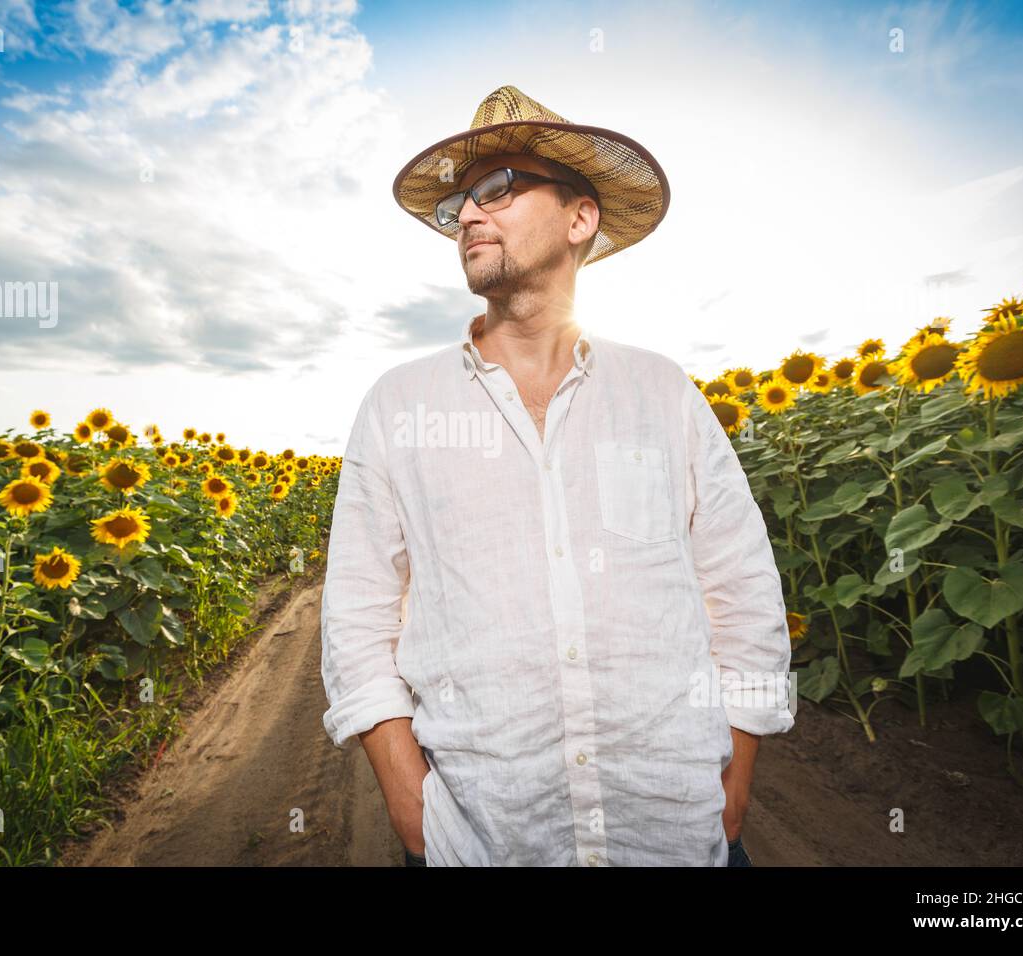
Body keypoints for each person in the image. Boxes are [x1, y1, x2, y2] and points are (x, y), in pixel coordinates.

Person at [320, 85, 793, 866]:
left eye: (499, 187)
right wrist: (410, 802)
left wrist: (735, 774)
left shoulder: (661, 393)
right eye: (459, 206)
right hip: (483, 838)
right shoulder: (400, 405)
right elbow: (358, 613)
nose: (468, 215)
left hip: (674, 830)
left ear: (580, 218)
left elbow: (739, 586)